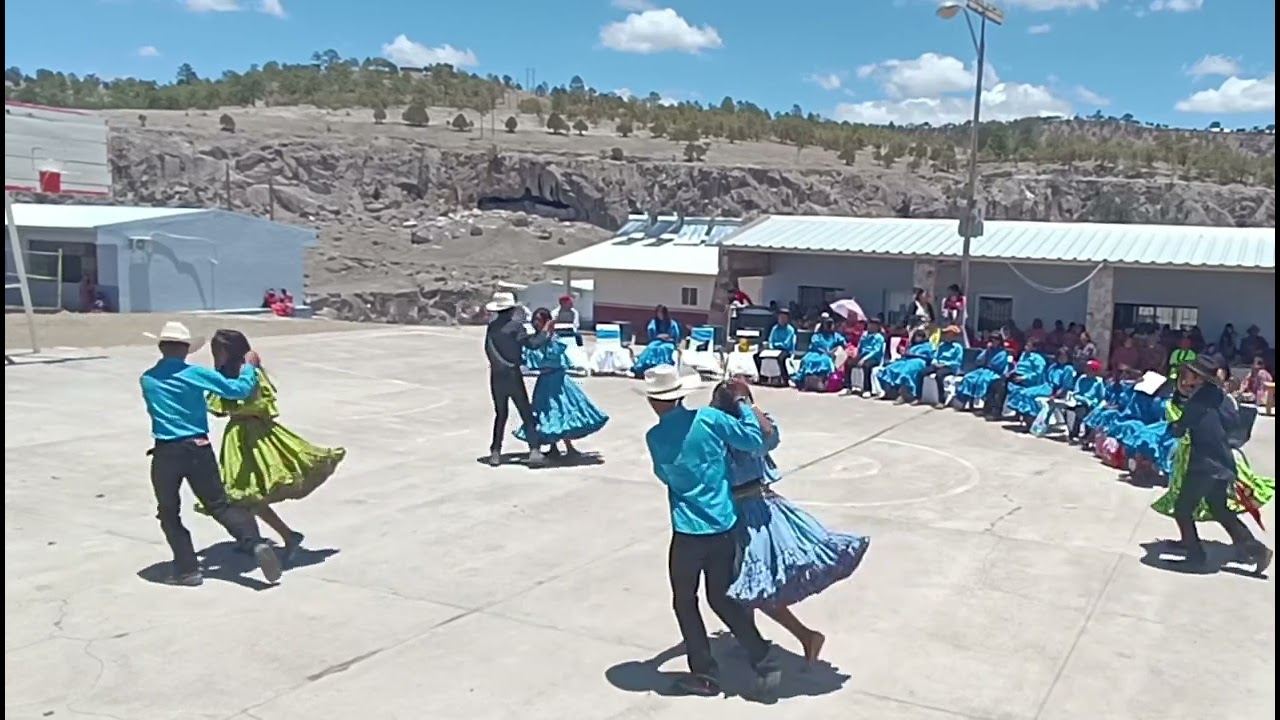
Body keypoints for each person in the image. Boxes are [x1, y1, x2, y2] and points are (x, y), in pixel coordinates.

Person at [641, 366, 781, 697]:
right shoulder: (708, 419)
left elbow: (664, 474)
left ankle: (704, 673)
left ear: (652, 400)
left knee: (685, 600)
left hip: (688, 531)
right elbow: (753, 438)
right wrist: (744, 403)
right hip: (723, 525)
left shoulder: (654, 437)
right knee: (720, 596)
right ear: (681, 394)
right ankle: (761, 653)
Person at [711, 381, 869, 664]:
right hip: (741, 508)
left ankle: (805, 636)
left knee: (756, 583)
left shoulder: (748, 429)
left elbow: (768, 436)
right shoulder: (724, 428)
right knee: (740, 581)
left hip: (754, 510)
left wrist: (743, 404)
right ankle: (750, 638)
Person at [138, 321, 282, 586]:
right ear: (186, 350)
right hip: (198, 448)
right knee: (219, 505)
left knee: (169, 512)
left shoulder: (147, 379)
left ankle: (188, 570)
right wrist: (249, 367)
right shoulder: (195, 374)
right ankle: (253, 543)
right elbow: (237, 389)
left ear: (160, 348)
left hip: (166, 452)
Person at [205, 329, 346, 558]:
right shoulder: (227, 374)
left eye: (218, 351)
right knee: (242, 493)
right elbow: (218, 406)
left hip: (254, 435)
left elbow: (260, 404)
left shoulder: (247, 372)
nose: (215, 355)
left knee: (248, 492)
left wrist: (235, 405)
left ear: (230, 351)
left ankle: (284, 536)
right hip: (238, 436)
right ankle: (254, 538)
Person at [1152, 356, 1273, 573]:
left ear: (1199, 378)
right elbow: (1233, 423)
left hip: (1204, 464)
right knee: (1218, 508)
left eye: (1189, 373)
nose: (1185, 376)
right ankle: (1257, 550)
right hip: (1223, 462)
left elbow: (1180, 428)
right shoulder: (1220, 397)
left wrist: (1174, 425)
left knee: (1182, 509)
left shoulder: (1198, 400)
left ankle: (1196, 557)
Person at [513, 308, 609, 458]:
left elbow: (554, 356)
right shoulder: (534, 340)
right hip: (544, 381)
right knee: (548, 414)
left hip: (558, 381)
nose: (536, 323)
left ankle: (569, 446)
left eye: (539, 320)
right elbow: (532, 360)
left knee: (564, 411)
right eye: (535, 320)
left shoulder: (553, 339)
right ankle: (553, 447)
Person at [484, 291, 549, 468]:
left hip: (496, 375)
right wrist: (545, 333)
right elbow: (532, 344)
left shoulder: (492, 327)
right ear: (511, 310)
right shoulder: (516, 327)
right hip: (513, 373)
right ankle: (534, 449)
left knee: (501, 414)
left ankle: (495, 451)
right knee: (525, 412)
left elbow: (488, 349)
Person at [1006, 346, 1077, 427]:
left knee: (1029, 395)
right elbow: (1045, 379)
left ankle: (1033, 417)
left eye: (1064, 356)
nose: (1061, 358)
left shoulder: (1068, 369)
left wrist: (1054, 396)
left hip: (1054, 391)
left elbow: (1065, 386)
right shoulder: (1053, 366)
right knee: (1022, 392)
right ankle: (1029, 418)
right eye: (1060, 356)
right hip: (1045, 387)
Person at [952, 333, 1010, 411]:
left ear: (999, 341)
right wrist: (986, 351)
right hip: (983, 370)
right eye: (992, 339)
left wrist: (988, 362)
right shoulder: (988, 350)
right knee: (968, 377)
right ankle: (964, 402)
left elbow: (996, 365)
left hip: (994, 372)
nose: (993, 341)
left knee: (982, 381)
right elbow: (978, 360)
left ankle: (983, 406)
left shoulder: (1002, 353)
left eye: (996, 340)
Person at [992, 338, 1047, 420]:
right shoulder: (1023, 354)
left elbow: (1038, 373)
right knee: (999, 384)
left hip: (1027, 379)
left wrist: (1024, 378)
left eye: (1028, 346)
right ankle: (997, 410)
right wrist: (1011, 372)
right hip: (1016, 375)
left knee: (1012, 388)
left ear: (1034, 348)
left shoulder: (1038, 359)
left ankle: (1019, 414)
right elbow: (1018, 366)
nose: (1025, 347)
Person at [879, 329, 935, 405]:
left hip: (919, 361)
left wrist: (916, 355)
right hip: (907, 360)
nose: (918, 338)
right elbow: (906, 353)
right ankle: (891, 392)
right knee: (889, 368)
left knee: (906, 372)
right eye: (917, 336)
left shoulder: (928, 346)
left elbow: (930, 357)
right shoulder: (912, 346)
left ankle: (904, 395)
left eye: (921, 336)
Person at [790, 313, 845, 390]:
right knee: (807, 360)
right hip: (815, 353)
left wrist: (835, 349)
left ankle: (823, 381)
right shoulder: (818, 335)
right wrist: (824, 351)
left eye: (830, 324)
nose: (829, 326)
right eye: (827, 324)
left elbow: (844, 343)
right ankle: (802, 380)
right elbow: (815, 344)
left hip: (827, 356)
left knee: (825, 361)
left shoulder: (835, 336)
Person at [1063, 360, 1107, 444]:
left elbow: (1101, 396)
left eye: (1090, 369)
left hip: (1093, 405)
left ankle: (1087, 437)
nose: (1087, 370)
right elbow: (1076, 393)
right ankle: (1073, 434)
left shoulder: (1098, 382)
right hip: (1081, 402)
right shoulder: (1081, 379)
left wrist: (1095, 404)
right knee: (1078, 413)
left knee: (1091, 414)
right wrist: (1084, 400)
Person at [632, 305, 682, 378]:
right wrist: (659, 336)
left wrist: (668, 338)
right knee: (651, 347)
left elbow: (676, 336)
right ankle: (644, 368)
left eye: (661, 313)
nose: (660, 315)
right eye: (658, 313)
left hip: (669, 342)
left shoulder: (672, 323)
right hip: (657, 341)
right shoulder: (654, 322)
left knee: (663, 348)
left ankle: (663, 368)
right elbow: (651, 334)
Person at [922, 325, 965, 408]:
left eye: (949, 334)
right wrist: (935, 363)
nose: (946, 335)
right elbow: (935, 357)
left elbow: (957, 362)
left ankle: (941, 401)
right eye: (945, 334)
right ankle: (918, 396)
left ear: (954, 336)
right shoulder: (941, 345)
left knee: (939, 375)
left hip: (950, 367)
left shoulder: (957, 347)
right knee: (922, 372)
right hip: (938, 365)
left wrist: (945, 364)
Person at [844, 317, 887, 397]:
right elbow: (860, 346)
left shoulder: (879, 337)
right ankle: (847, 387)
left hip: (873, 358)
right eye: (870, 324)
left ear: (877, 327)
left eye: (873, 325)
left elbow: (876, 351)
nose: (870, 327)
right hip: (862, 355)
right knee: (849, 363)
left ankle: (867, 389)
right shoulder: (864, 335)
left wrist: (864, 359)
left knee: (866, 366)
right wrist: (856, 355)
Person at [757, 308, 797, 375]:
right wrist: (772, 347)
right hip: (773, 349)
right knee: (757, 356)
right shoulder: (775, 328)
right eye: (780, 317)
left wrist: (775, 344)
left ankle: (784, 377)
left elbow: (786, 344)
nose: (781, 319)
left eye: (784, 317)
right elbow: (770, 340)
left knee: (780, 358)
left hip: (785, 351)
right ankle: (762, 376)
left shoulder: (790, 330)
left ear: (787, 319)